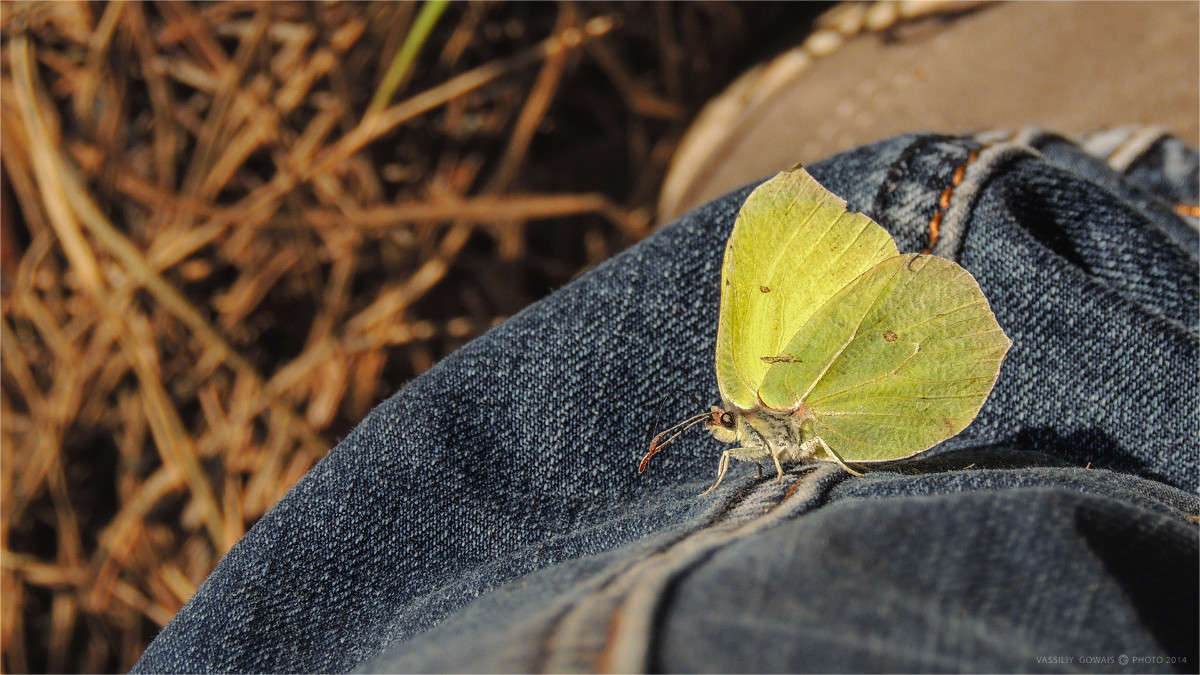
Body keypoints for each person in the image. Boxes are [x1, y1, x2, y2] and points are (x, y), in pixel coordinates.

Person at [134, 130, 1199, 673]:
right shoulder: (758, 415)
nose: (723, 430)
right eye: (727, 427)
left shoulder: (761, 401)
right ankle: (1126, 221)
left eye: (725, 426)